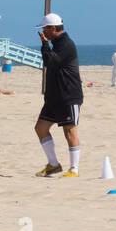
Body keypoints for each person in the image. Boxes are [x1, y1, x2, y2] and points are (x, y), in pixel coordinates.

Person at [34, 13, 83, 178]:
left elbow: (50, 62)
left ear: (53, 28)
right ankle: (53, 165)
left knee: (70, 132)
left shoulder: (66, 44)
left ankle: (74, 169)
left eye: (45, 29)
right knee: (40, 128)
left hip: (68, 95)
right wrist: (46, 44)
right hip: (54, 98)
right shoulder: (56, 43)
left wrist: (44, 44)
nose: (43, 33)